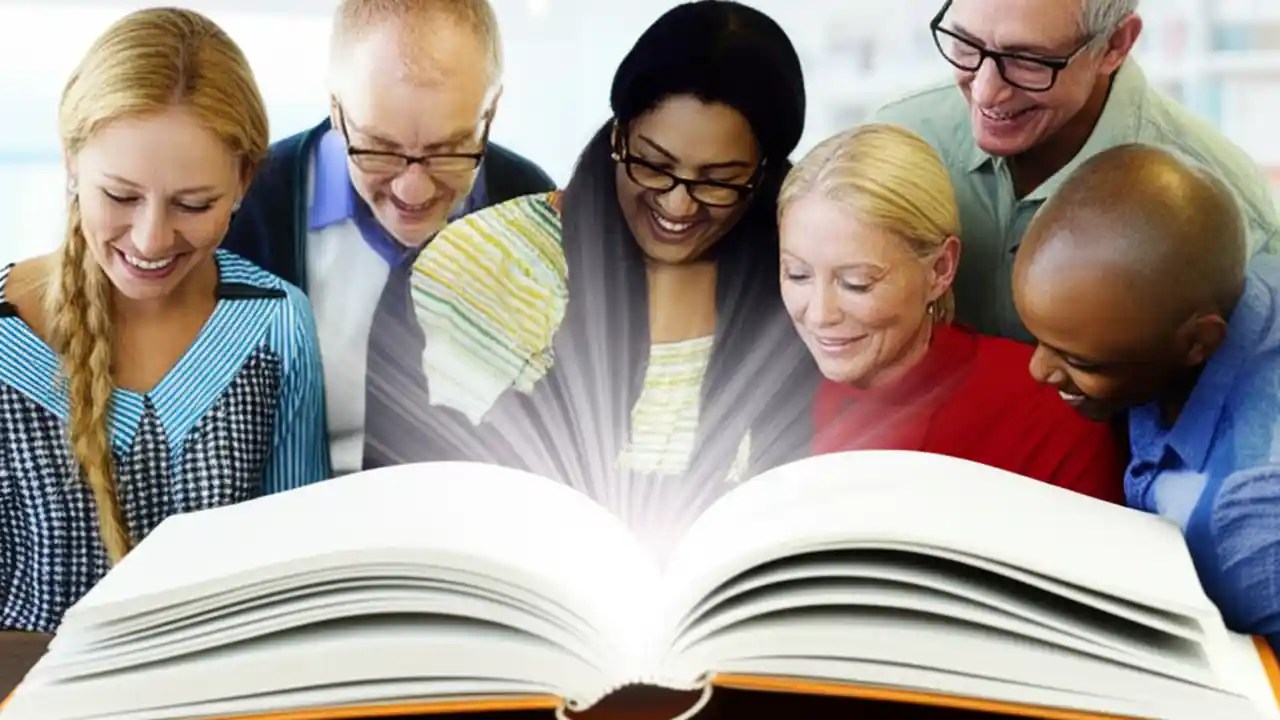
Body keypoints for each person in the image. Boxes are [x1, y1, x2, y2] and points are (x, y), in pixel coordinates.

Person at [406, 0, 815, 555]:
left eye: (719, 181)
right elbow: (424, 498)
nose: (677, 204)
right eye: (652, 163)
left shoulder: (801, 286)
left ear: (764, 174)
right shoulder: (482, 263)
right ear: (618, 134)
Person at [0, 8, 329, 633]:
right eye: (120, 196)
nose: (151, 239)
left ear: (243, 181)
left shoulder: (275, 325)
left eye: (193, 203)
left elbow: (296, 586)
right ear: (70, 159)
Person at [221, 0, 555, 475]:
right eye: (379, 148)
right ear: (336, 111)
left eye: (448, 151)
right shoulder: (248, 208)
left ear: (492, 110)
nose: (411, 190)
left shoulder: (533, 209)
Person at [871, 0, 1279, 343]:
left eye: (1027, 59)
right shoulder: (897, 139)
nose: (984, 92)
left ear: (1114, 45)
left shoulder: (1233, 216)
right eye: (965, 44)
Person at [1014, 143, 1280, 648]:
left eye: (1083, 362)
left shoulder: (1253, 514)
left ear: (1196, 343)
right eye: (1037, 339)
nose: (1037, 370)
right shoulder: (1223, 281)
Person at [777, 123, 1123, 502]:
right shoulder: (779, 388)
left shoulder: (1044, 411)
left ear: (940, 269)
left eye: (858, 283)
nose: (820, 314)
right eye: (797, 274)